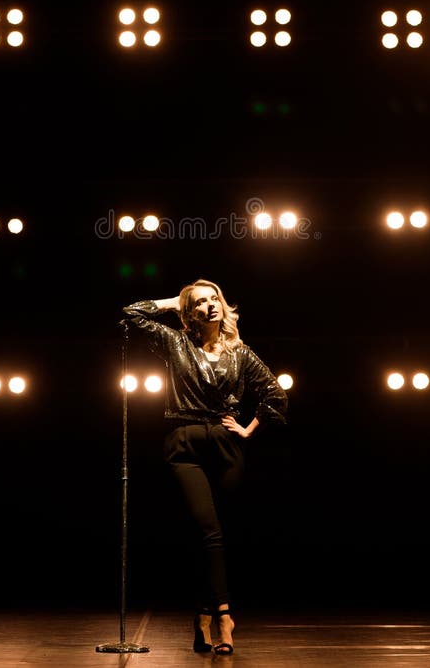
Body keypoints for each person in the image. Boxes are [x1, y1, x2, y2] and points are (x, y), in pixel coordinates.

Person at [121, 278, 288, 655]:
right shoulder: (175, 343)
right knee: (208, 532)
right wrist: (174, 301)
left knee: (214, 537)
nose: (210, 305)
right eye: (199, 302)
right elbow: (131, 314)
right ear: (189, 313)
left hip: (226, 444)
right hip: (184, 441)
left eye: (214, 299)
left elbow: (275, 395)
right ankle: (224, 617)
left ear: (223, 306)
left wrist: (249, 428)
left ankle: (201, 614)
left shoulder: (240, 353)